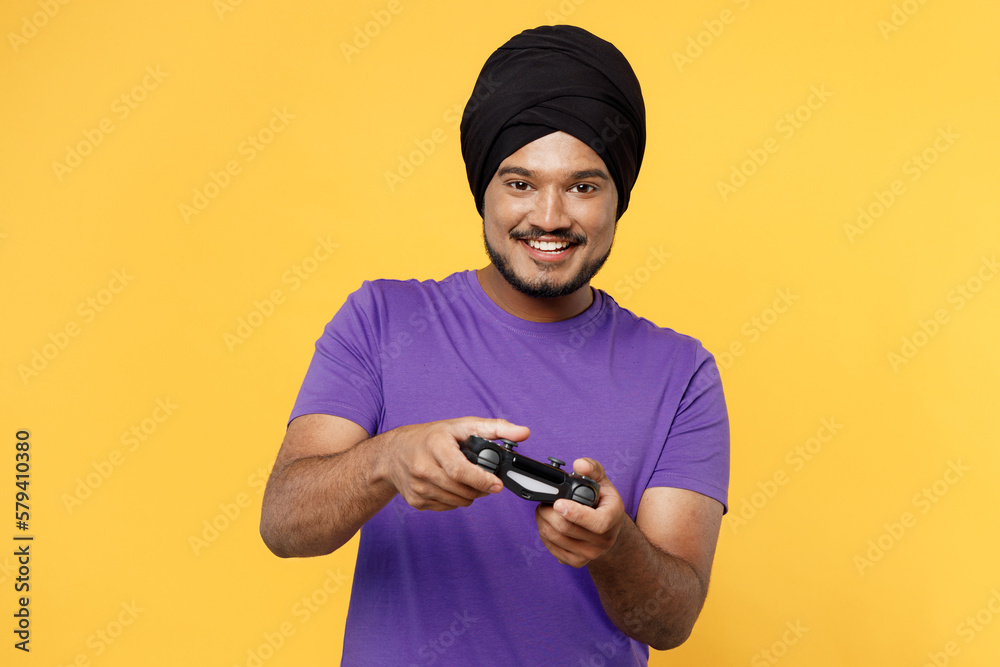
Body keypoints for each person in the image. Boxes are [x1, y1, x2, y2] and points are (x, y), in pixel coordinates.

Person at [260, 24, 729, 666]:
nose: (549, 216)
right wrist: (387, 460)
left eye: (583, 187)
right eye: (520, 183)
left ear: (620, 197)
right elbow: (284, 524)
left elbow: (672, 620)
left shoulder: (683, 374)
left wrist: (614, 545)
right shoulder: (380, 318)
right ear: (484, 188)